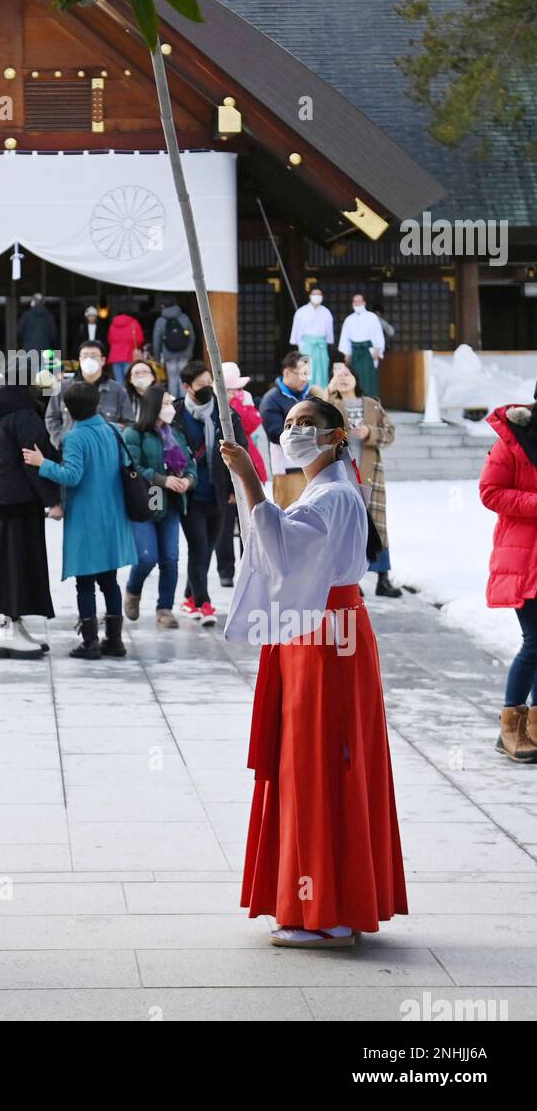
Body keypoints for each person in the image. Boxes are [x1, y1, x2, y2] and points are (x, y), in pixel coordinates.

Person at [220, 396, 407, 949]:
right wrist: (247, 485)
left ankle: (326, 911)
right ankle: (330, 899)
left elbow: (278, 548)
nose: (294, 430)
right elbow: (278, 543)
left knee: (320, 762)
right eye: (290, 423)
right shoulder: (328, 491)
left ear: (336, 436)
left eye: (308, 424)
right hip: (320, 630)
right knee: (321, 759)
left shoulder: (331, 495)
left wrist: (248, 478)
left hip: (327, 637)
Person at [23, 380, 135, 659]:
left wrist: (43, 464)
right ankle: (115, 640)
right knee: (109, 581)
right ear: (96, 403)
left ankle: (90, 642)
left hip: (87, 518)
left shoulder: (73, 437)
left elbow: (72, 475)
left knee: (85, 582)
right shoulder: (112, 430)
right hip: (113, 514)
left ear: (68, 409)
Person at [0, 367, 63, 658]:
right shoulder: (24, 414)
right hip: (18, 502)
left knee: (3, 563)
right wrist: (52, 500)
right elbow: (34, 461)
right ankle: (10, 631)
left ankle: (11, 624)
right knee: (18, 564)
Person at [480, 389, 537, 763]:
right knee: (535, 642)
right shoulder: (516, 439)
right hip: (523, 557)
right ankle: (511, 726)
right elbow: (489, 492)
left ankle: (533, 726)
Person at [172, 359, 245, 627]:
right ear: (187, 386)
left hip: (218, 492)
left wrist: (235, 486)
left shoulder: (225, 413)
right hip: (189, 494)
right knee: (198, 547)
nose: (206, 389)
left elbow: (240, 448)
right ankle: (203, 603)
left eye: (209, 384)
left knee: (209, 546)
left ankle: (189, 595)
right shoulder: (176, 414)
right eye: (200, 385)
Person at [322, 356, 401, 598]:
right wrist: (328, 392)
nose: (343, 378)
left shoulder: (372, 404)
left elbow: (389, 434)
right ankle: (351, 581)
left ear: (356, 378)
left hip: (370, 472)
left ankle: (382, 579)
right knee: (347, 526)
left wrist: (370, 432)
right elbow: (316, 426)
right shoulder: (330, 405)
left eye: (347, 374)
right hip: (341, 473)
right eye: (338, 375)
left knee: (376, 525)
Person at [122, 385, 197, 629]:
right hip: (146, 501)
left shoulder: (175, 433)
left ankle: (165, 608)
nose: (171, 408)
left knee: (170, 558)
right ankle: (133, 591)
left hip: (173, 503)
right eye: (166, 403)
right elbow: (132, 467)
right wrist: (161, 479)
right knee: (146, 557)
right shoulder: (135, 434)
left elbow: (190, 464)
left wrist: (187, 480)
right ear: (154, 406)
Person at [214, 362, 267, 589]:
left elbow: (253, 424)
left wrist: (239, 402)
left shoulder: (244, 400)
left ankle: (251, 567)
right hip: (225, 470)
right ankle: (225, 570)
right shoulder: (216, 407)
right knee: (224, 527)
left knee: (251, 524)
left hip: (249, 465)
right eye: (232, 389)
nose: (237, 391)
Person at [45, 340, 131, 446]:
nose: (89, 360)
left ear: (103, 360)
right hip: (72, 451)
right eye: (85, 356)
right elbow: (51, 417)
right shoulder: (63, 388)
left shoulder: (117, 390)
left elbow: (129, 423)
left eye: (94, 356)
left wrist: (115, 443)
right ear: (80, 360)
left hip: (106, 452)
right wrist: (61, 440)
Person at [258, 350, 312, 510]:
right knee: (290, 517)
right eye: (301, 373)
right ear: (287, 372)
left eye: (307, 374)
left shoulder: (309, 395)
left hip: (310, 466)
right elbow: (277, 435)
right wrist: (311, 434)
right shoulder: (272, 399)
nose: (305, 379)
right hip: (287, 469)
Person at [338, 293, 385, 399]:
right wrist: (346, 354)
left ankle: (371, 401)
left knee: (368, 379)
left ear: (364, 303)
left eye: (359, 301)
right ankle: (355, 402)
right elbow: (345, 338)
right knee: (354, 378)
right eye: (355, 302)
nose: (357, 304)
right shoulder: (349, 319)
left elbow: (378, 334)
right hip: (355, 351)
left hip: (368, 351)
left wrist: (378, 349)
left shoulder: (372, 317)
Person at [289, 287, 334, 392]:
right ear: (310, 296)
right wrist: (300, 345)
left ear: (322, 297)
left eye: (319, 294)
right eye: (314, 294)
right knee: (306, 369)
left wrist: (327, 343)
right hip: (307, 345)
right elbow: (297, 330)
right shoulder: (301, 311)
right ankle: (304, 392)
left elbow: (329, 333)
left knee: (321, 370)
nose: (316, 297)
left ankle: (322, 394)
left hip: (321, 345)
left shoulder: (326, 312)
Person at [151, 298, 196, 396]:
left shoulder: (160, 320)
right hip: (184, 354)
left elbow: (156, 341)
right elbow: (192, 336)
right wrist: (189, 352)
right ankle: (184, 401)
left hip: (169, 354)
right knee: (183, 379)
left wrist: (157, 358)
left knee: (172, 379)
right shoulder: (184, 317)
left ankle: (174, 402)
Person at [17, 292, 60, 367]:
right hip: (46, 352)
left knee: (30, 376)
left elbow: (19, 332)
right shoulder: (49, 317)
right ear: (43, 303)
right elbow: (54, 336)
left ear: (33, 302)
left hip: (29, 351)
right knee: (45, 376)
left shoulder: (26, 316)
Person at [106, 305, 144, 385]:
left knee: (119, 381)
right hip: (129, 355)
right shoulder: (134, 323)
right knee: (130, 380)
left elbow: (109, 339)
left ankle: (120, 397)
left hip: (115, 356)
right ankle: (128, 397)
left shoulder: (113, 324)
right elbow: (140, 340)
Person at [124, 357, 158, 422]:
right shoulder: (124, 400)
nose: (141, 375)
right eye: (136, 373)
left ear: (153, 377)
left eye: (145, 372)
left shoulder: (165, 398)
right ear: (130, 379)